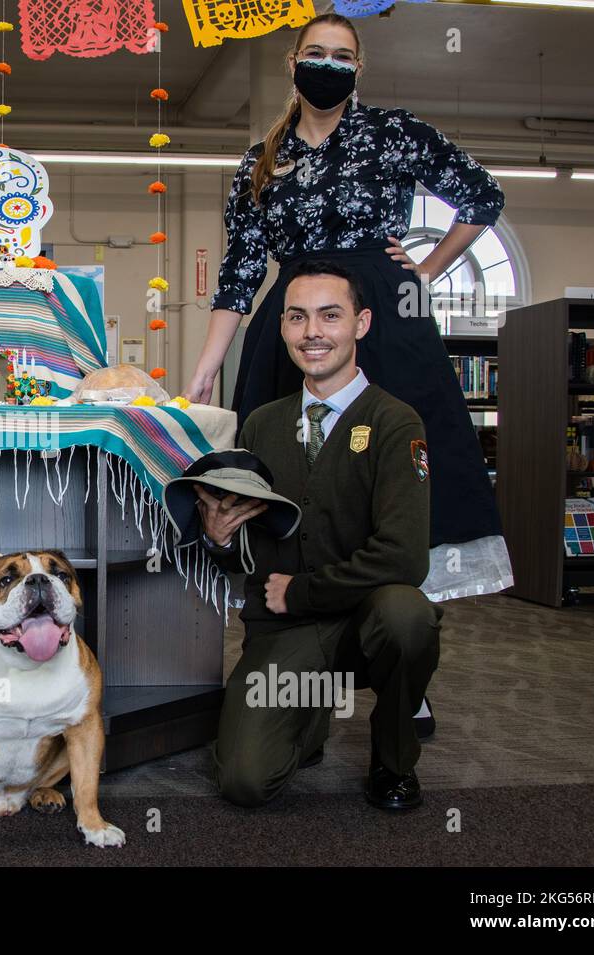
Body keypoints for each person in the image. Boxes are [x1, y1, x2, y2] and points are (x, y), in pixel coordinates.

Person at [184, 12, 511, 604]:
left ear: (358, 68)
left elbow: (482, 196)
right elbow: (240, 271)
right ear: (292, 63)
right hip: (295, 310)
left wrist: (428, 269)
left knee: (395, 457)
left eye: (341, 56)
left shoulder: (395, 133)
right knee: (287, 460)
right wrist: (209, 365)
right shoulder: (263, 159)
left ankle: (405, 636)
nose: (327, 65)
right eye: (316, 53)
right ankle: (296, 614)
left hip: (384, 311)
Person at [175, 261, 442, 811]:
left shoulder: (396, 423)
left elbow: (405, 557)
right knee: (245, 782)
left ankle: (393, 762)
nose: (312, 331)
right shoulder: (261, 425)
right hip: (285, 632)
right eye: (297, 318)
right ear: (283, 329)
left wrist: (301, 591)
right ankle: (312, 714)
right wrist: (220, 538)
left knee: (408, 615)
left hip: (367, 619)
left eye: (330, 315)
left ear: (361, 324)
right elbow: (255, 543)